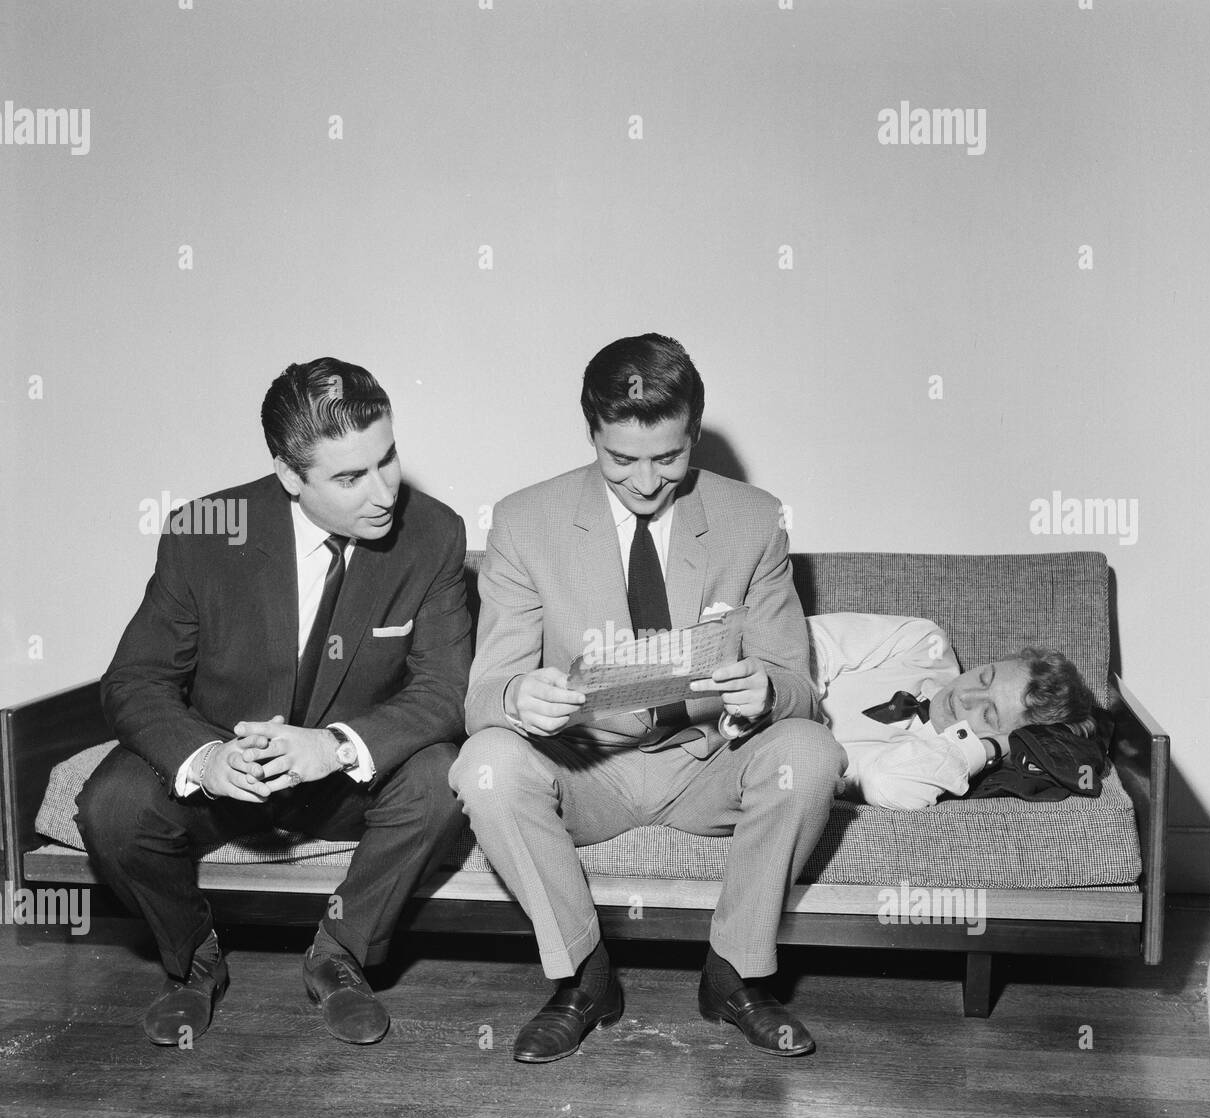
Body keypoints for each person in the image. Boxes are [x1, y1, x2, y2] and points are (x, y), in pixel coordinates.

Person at [449, 333, 846, 1064]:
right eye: (620, 459)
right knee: (485, 766)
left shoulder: (754, 519)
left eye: (669, 458)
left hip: (704, 762)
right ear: (592, 435)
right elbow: (481, 699)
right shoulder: (523, 521)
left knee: (811, 753)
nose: (645, 480)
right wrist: (515, 695)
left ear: (694, 433)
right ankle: (582, 978)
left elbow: (801, 690)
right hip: (584, 767)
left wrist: (768, 690)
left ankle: (735, 975)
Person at [76, 358, 471, 1045]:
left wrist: (336, 747)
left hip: (344, 783)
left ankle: (339, 957)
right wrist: (207, 757)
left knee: (443, 778)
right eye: (349, 478)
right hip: (230, 775)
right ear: (290, 474)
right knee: (109, 805)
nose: (383, 492)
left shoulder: (433, 533)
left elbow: (446, 689)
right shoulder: (204, 530)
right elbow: (133, 682)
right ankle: (193, 961)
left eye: (387, 459)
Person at [808, 612, 1097, 809]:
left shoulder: (929, 765)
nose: (965, 695)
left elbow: (882, 783)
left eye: (988, 714)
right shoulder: (922, 644)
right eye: (984, 677)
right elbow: (808, 642)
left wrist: (986, 750)